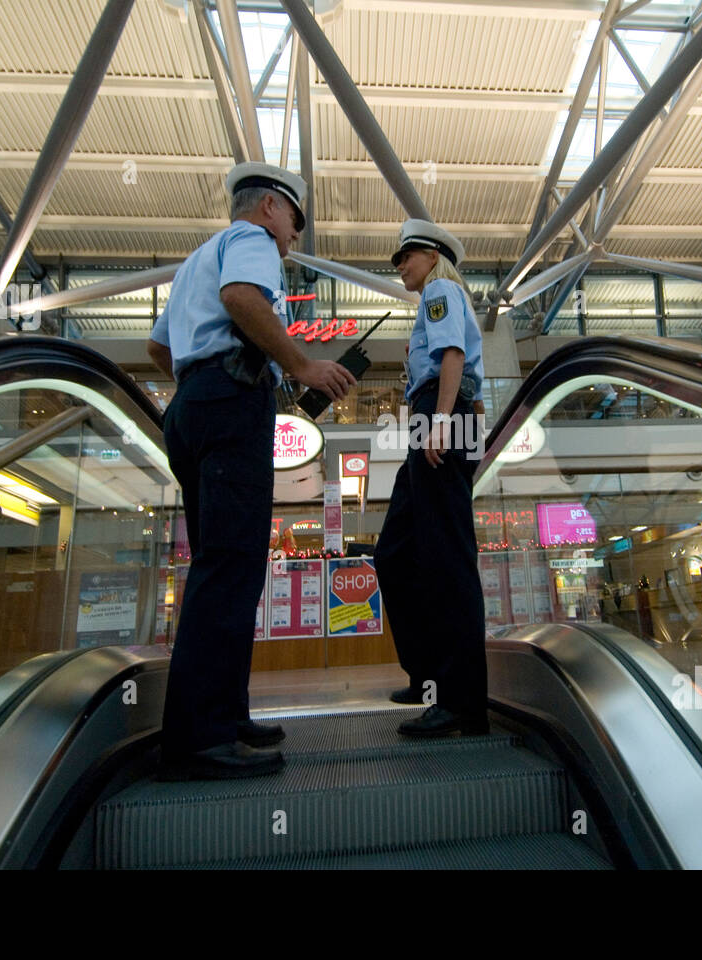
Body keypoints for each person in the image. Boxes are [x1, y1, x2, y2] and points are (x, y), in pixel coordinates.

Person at [146, 162, 355, 779]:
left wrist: (198, 387)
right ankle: (198, 739)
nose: (293, 236)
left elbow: (159, 348)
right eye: (294, 220)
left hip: (194, 409)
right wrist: (300, 365)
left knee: (222, 566)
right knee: (230, 569)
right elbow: (241, 299)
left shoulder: (196, 260)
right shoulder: (252, 242)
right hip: (231, 406)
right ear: (269, 207)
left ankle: (225, 715)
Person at [374, 219, 489, 737]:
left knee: (446, 555)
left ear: (433, 256)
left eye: (406, 256)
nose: (399, 265)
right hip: (442, 416)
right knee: (396, 552)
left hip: (440, 417)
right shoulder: (439, 300)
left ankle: (461, 701)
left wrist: (442, 422)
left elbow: (453, 358)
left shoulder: (441, 290)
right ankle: (428, 676)